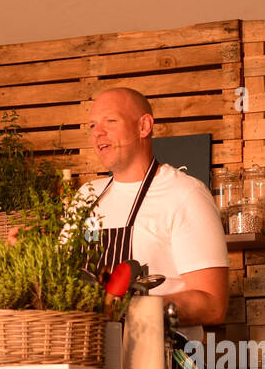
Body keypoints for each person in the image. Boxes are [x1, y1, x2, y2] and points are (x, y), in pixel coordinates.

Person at [79, 86, 229, 324]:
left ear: (144, 126)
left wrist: (134, 311)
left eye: (110, 120)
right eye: (92, 125)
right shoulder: (86, 196)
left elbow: (213, 305)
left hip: (157, 356)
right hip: (89, 355)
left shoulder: (185, 194)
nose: (98, 132)